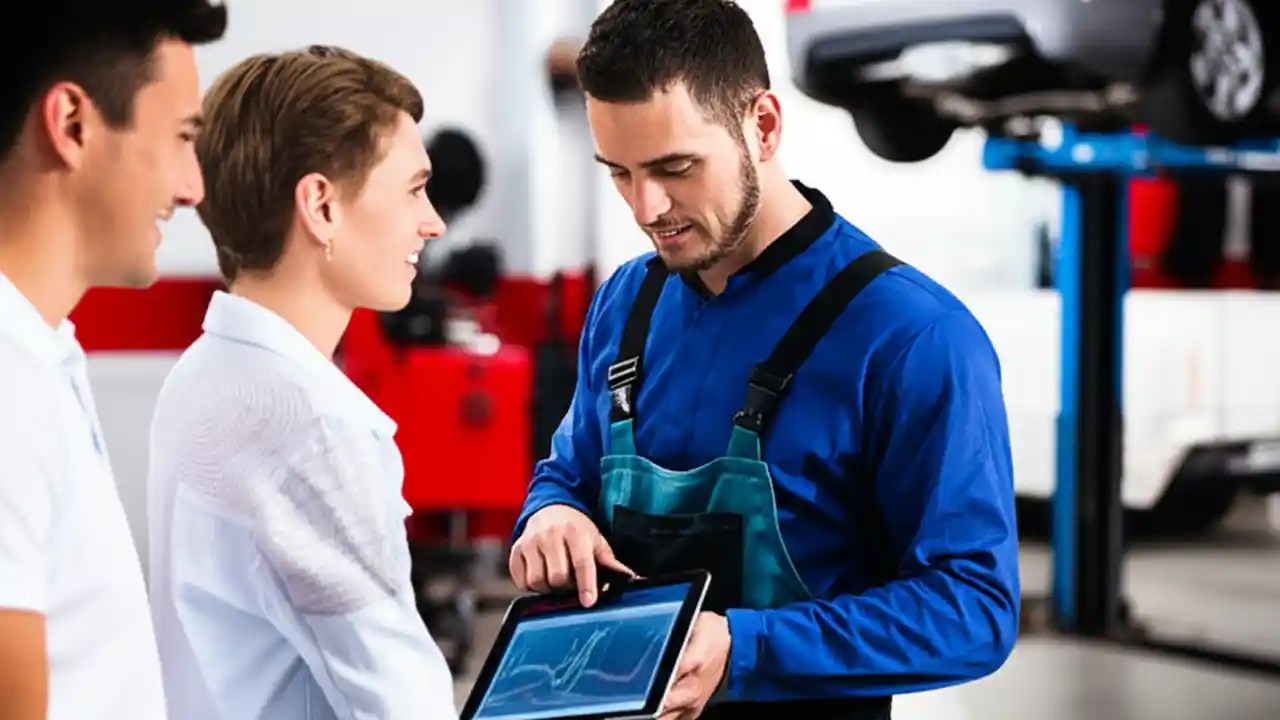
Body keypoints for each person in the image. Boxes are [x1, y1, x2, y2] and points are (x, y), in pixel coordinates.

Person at [508, 1, 1020, 718]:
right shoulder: (628, 301)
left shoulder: (911, 339)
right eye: (618, 173)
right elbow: (570, 469)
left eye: (674, 167)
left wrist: (747, 650)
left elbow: (972, 609)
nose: (645, 207)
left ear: (764, 125)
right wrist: (551, 512)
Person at [146, 46, 457, 720]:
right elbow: (403, 704)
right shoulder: (312, 427)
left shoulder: (204, 373)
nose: (432, 221)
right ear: (320, 205)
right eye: (412, 189)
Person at [0, 3, 227, 719]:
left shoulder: (42, 355)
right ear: (72, 125)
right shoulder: (8, 383)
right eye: (182, 138)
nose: (193, 186)